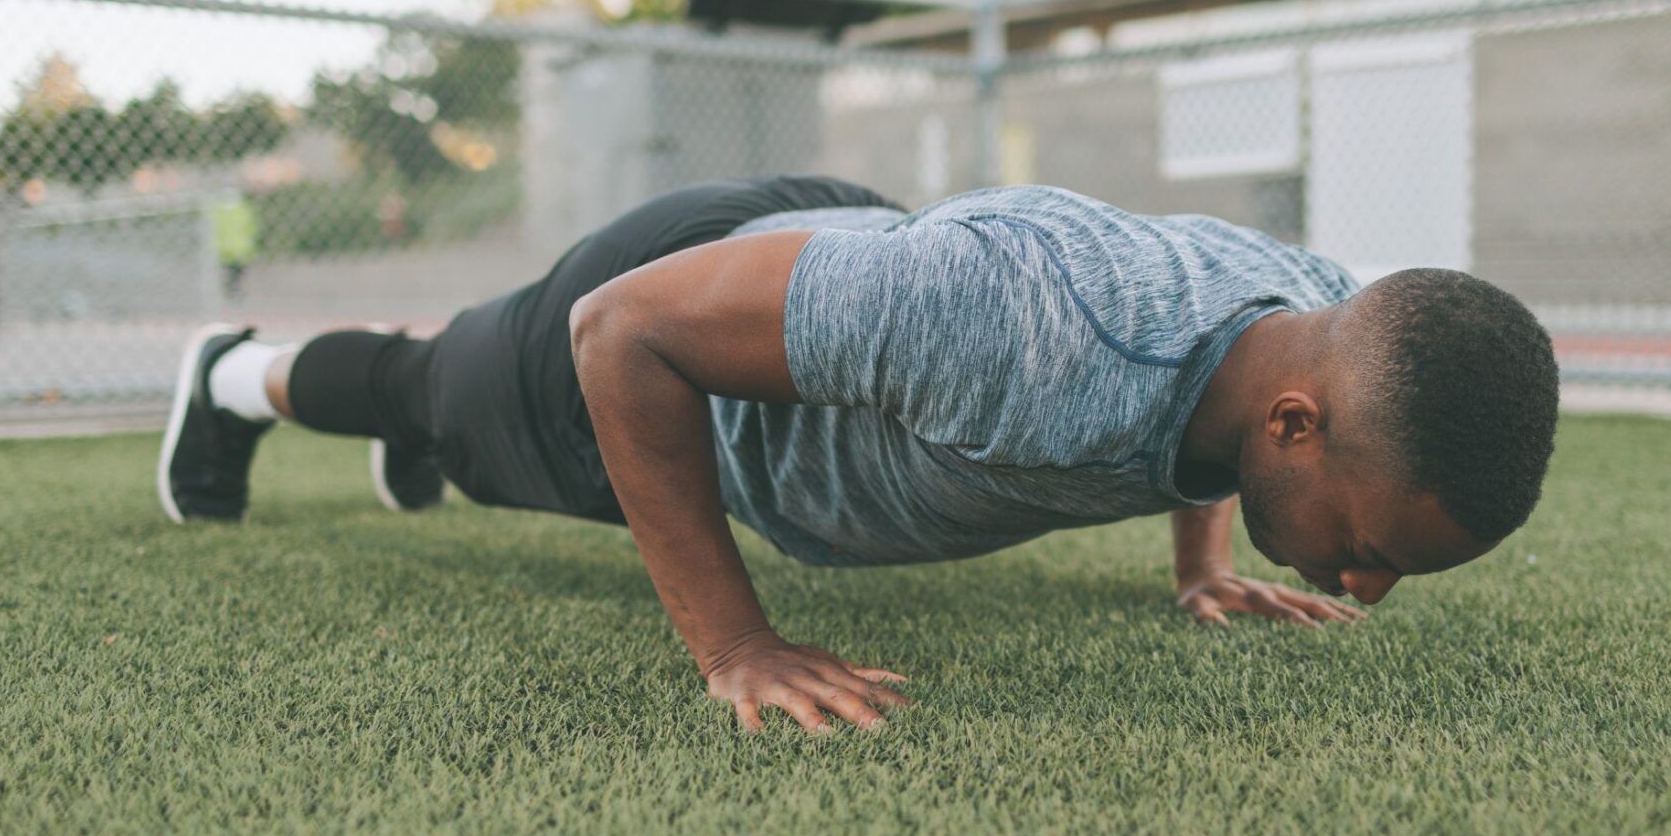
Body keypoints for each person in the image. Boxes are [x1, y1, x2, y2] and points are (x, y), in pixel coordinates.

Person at [158, 175, 1560, 735]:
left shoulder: (1306, 323)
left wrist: (1204, 563)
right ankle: (231, 376)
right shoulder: (1017, 327)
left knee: (457, 401)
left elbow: (1211, 396)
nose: (1364, 588)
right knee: (445, 387)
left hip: (852, 279)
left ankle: (435, 415)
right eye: (1369, 550)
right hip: (675, 315)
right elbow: (620, 334)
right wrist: (736, 645)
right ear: (1300, 430)